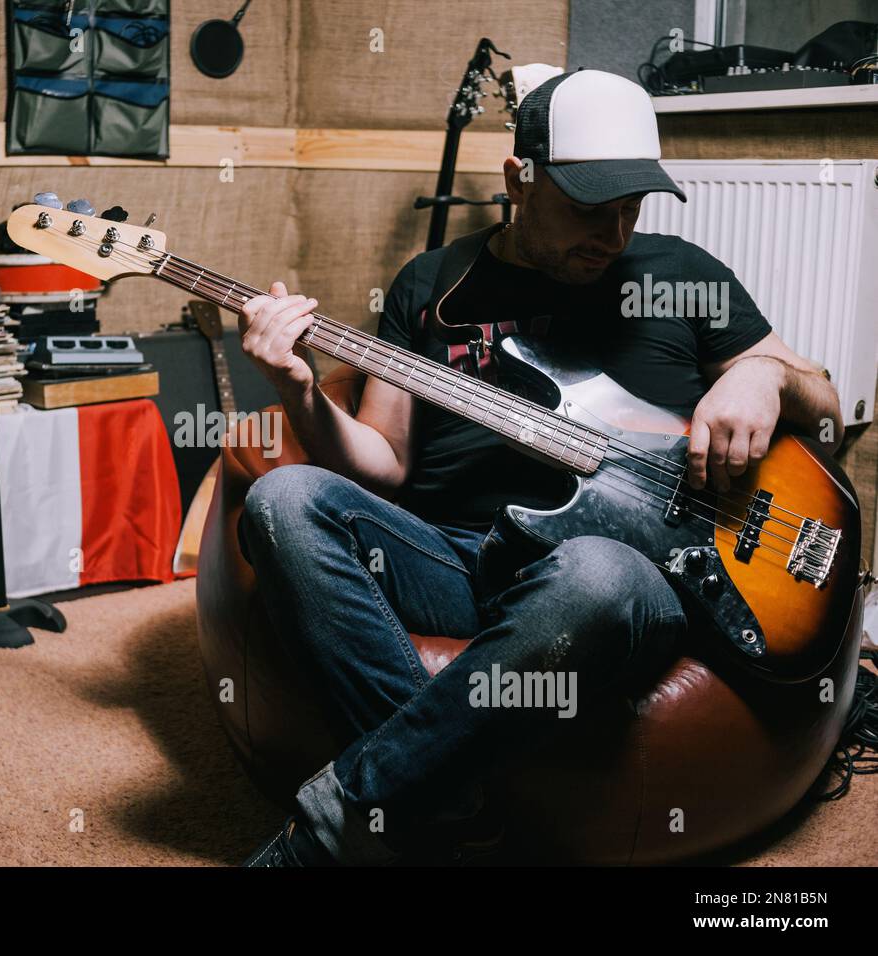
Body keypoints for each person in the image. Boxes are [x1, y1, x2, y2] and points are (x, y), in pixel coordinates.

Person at [235, 69, 842, 867]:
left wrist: (764, 375)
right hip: (455, 557)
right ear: (518, 179)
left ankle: (332, 832)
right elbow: (381, 466)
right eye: (590, 207)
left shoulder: (681, 276)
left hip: (624, 578)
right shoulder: (430, 285)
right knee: (281, 500)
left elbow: (825, 409)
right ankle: (439, 805)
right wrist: (299, 390)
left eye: (633, 208)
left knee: (593, 573)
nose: (615, 233)